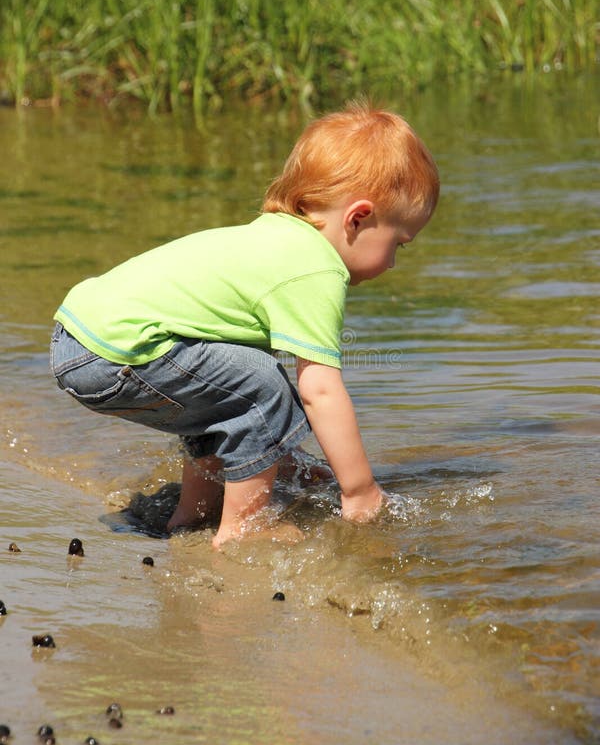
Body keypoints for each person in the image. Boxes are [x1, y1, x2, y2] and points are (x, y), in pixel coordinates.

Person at [50, 102, 439, 547]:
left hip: (81, 336)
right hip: (114, 351)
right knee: (265, 386)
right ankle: (244, 531)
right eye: (399, 244)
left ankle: (193, 516)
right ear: (358, 218)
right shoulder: (315, 270)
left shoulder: (276, 237)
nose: (391, 263)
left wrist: (283, 456)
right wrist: (360, 490)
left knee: (232, 392)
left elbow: (223, 391)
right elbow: (321, 391)